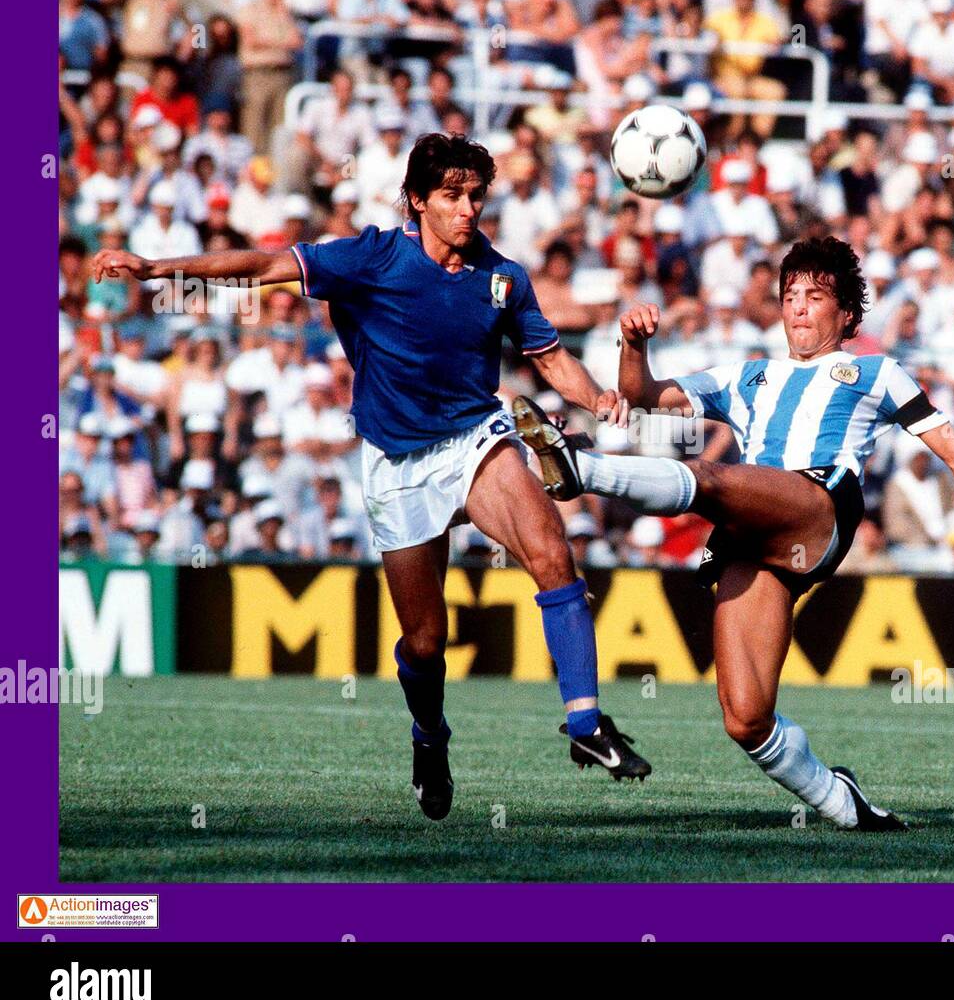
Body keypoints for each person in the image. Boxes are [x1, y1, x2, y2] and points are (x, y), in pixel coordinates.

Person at [91, 133, 653, 825]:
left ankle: (584, 722)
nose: (467, 209)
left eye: (476, 195)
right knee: (424, 640)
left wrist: (596, 399)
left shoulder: (503, 276)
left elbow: (550, 357)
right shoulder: (373, 256)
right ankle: (430, 737)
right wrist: (156, 268)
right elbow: (263, 264)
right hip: (396, 462)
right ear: (418, 200)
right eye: (451, 196)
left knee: (551, 550)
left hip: (475, 438)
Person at [513, 235, 954, 831]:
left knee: (711, 477)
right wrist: (633, 345)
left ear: (846, 314)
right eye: (790, 294)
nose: (797, 306)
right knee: (745, 718)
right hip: (755, 534)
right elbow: (641, 396)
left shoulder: (877, 371)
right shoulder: (749, 376)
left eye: (814, 296)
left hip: (819, 506)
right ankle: (843, 804)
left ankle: (580, 470)